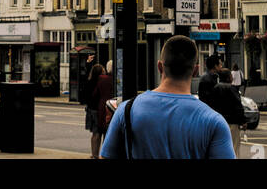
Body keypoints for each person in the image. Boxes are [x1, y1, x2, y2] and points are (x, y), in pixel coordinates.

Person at [101, 36, 235, 160]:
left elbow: (106, 156)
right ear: (195, 70)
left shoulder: (126, 110)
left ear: (160, 67)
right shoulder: (214, 122)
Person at [211, 67, 246, 158]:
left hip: (219, 122)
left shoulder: (215, 88)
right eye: (231, 75)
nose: (232, 77)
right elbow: (238, 106)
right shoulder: (232, 88)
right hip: (232, 122)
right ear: (228, 77)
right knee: (234, 146)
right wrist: (243, 121)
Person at [84, 63, 113, 159]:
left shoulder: (90, 81)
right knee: (105, 131)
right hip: (100, 109)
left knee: (95, 133)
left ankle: (94, 155)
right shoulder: (104, 79)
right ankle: (105, 154)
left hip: (91, 109)